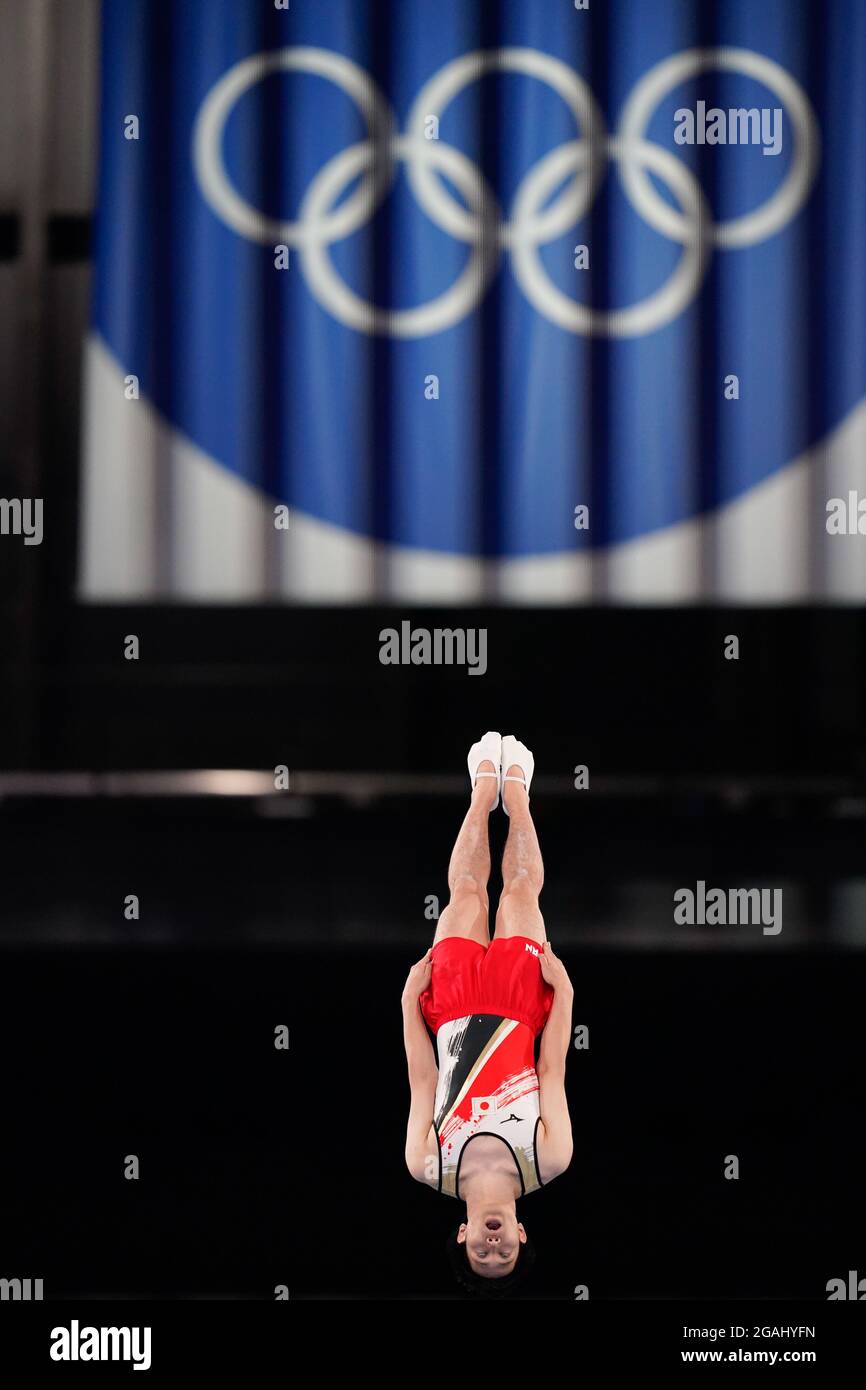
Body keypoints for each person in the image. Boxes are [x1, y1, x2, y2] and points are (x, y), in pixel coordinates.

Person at [402, 732, 574, 1286]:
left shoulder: (428, 1165)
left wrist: (409, 1002)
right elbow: (551, 1070)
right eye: (505, 1255)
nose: (493, 1247)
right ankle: (518, 790)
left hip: (451, 1008)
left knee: (467, 892)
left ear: (463, 1236)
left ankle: (482, 790)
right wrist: (565, 995)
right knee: (521, 890)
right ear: (523, 1236)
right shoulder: (548, 1159)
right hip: (520, 1006)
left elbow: (423, 1078)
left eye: (482, 1254)